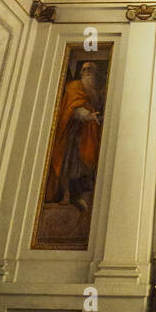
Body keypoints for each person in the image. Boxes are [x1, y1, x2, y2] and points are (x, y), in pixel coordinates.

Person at [48, 60, 104, 208]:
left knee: (84, 168)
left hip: (88, 134)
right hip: (72, 135)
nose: (86, 72)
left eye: (89, 69)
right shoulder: (75, 87)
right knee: (69, 165)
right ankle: (66, 194)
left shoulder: (95, 90)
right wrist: (88, 116)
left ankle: (80, 197)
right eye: (84, 69)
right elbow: (73, 107)